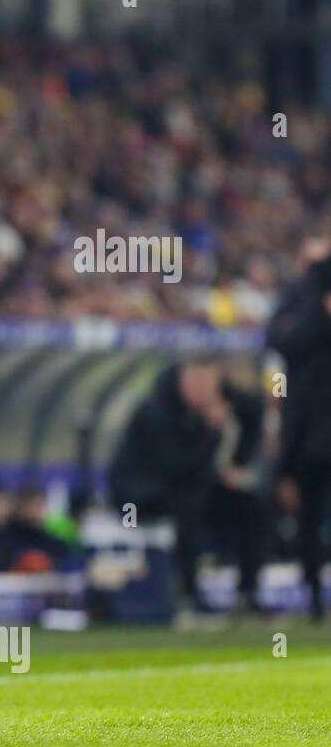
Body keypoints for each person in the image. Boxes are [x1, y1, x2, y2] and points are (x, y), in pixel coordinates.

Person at [106, 359, 265, 613]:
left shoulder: (219, 399)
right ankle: (190, 595)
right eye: (197, 383)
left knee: (250, 506)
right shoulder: (155, 410)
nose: (204, 391)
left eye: (210, 384)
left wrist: (238, 462)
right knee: (188, 506)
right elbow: (176, 468)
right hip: (138, 495)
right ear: (183, 380)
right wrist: (212, 432)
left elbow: (256, 411)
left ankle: (248, 593)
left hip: (191, 487)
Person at [267, 250, 331, 619]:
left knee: (312, 518)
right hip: (308, 436)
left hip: (306, 434)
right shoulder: (298, 308)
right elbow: (278, 343)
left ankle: (315, 596)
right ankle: (314, 595)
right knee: (309, 517)